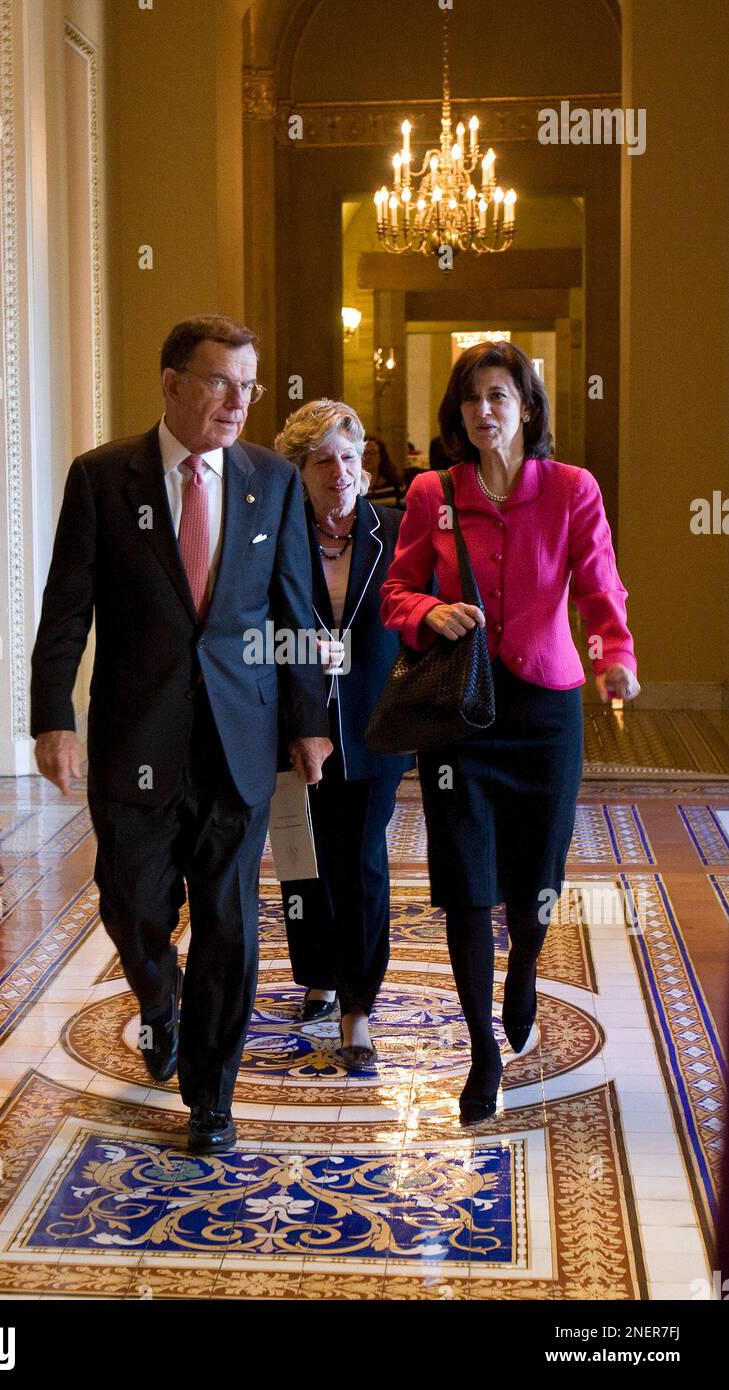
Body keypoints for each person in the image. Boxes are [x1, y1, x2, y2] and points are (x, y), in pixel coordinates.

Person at [31, 315, 332, 1154]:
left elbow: (295, 609)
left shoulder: (271, 481)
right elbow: (67, 611)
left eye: (250, 385)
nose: (239, 402)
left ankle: (212, 1097)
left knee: (230, 926)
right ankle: (157, 1003)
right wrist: (54, 717)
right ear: (171, 383)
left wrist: (309, 722)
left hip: (240, 739)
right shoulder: (101, 478)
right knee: (134, 907)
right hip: (135, 737)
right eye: (219, 382)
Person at [381, 340, 639, 1125]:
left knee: (532, 893)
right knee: (465, 888)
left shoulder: (570, 489)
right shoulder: (434, 492)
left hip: (544, 715)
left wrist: (616, 658)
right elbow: (395, 589)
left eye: (498, 396)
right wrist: (428, 611)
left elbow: (599, 586)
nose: (483, 411)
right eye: (470, 400)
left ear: (527, 406)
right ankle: (482, 1052)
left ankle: (524, 964)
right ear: (458, 415)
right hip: (462, 715)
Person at [274, 401, 413, 1069]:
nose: (341, 471)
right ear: (299, 471)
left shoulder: (397, 530)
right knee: (305, 860)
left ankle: (359, 1005)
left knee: (362, 859)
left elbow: (422, 618)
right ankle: (320, 974)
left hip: (372, 721)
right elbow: (254, 625)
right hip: (292, 723)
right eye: (324, 460)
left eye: (350, 457)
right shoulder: (276, 535)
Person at [362, 435, 403, 505]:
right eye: (364, 453)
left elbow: (404, 512)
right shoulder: (352, 485)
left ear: (381, 457)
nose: (368, 457)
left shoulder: (394, 484)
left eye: (372, 452)